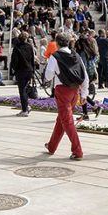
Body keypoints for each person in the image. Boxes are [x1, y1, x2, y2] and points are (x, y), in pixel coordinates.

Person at [43, 31, 87, 160]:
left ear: (56, 43)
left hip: (62, 91)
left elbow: (48, 75)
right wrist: (84, 93)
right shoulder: (76, 56)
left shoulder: (55, 56)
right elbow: (84, 75)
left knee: (67, 121)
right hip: (75, 91)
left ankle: (77, 151)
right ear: (68, 43)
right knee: (61, 120)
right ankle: (51, 146)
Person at [9, 30, 36, 116]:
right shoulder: (30, 46)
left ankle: (25, 109)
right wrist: (33, 71)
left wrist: (14, 69)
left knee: (22, 90)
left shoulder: (17, 48)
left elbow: (14, 61)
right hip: (29, 70)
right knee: (26, 89)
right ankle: (26, 106)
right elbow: (32, 60)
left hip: (21, 71)